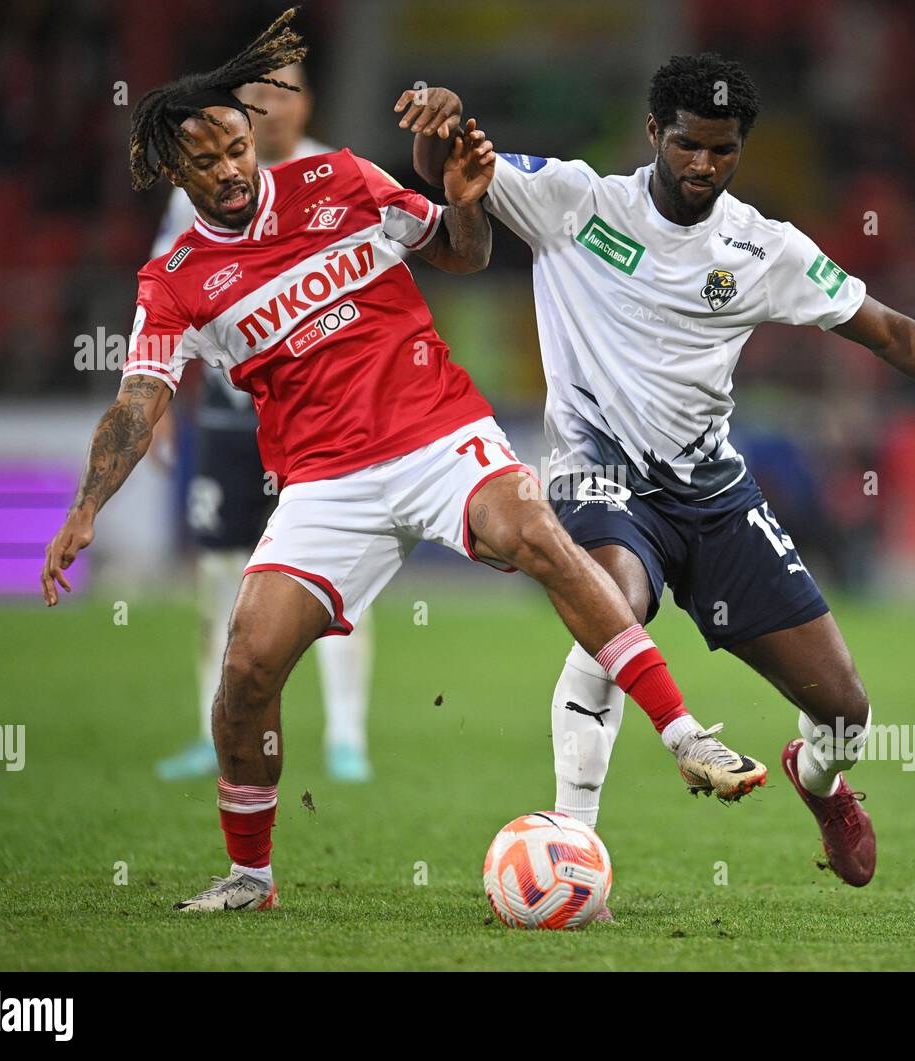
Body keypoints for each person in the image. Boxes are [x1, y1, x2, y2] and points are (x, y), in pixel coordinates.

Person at [41, 10, 765, 914]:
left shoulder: (341, 180)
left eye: (238, 146)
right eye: (206, 161)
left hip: (436, 435)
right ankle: (250, 876)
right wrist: (86, 507)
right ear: (173, 173)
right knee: (246, 669)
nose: (230, 170)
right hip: (323, 485)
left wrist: (462, 198)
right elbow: (138, 402)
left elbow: (462, 255)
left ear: (253, 135)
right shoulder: (176, 279)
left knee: (535, 532)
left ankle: (684, 732)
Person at [402, 55, 915, 895]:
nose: (703, 166)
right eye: (687, 146)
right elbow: (455, 181)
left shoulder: (763, 248)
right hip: (598, 472)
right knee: (613, 604)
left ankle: (818, 779)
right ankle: (574, 841)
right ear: (654, 133)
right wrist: (436, 136)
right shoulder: (574, 200)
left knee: (846, 710)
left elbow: (892, 333)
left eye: (723, 151)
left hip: (715, 495)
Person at [148, 61, 376, 784]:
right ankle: (211, 730)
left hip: (323, 419)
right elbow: (165, 302)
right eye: (258, 97)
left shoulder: (334, 176)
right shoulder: (199, 186)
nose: (273, 108)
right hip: (226, 416)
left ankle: (346, 738)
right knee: (219, 577)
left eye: (287, 92)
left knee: (341, 579)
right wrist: (154, 404)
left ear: (308, 102)